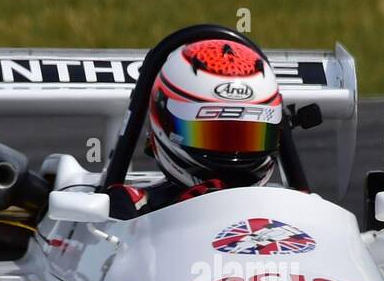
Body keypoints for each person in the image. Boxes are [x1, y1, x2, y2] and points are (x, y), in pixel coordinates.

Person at [106, 38, 283, 218]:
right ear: (164, 125)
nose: (233, 154)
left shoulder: (292, 208)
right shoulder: (131, 210)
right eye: (212, 136)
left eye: (248, 137)